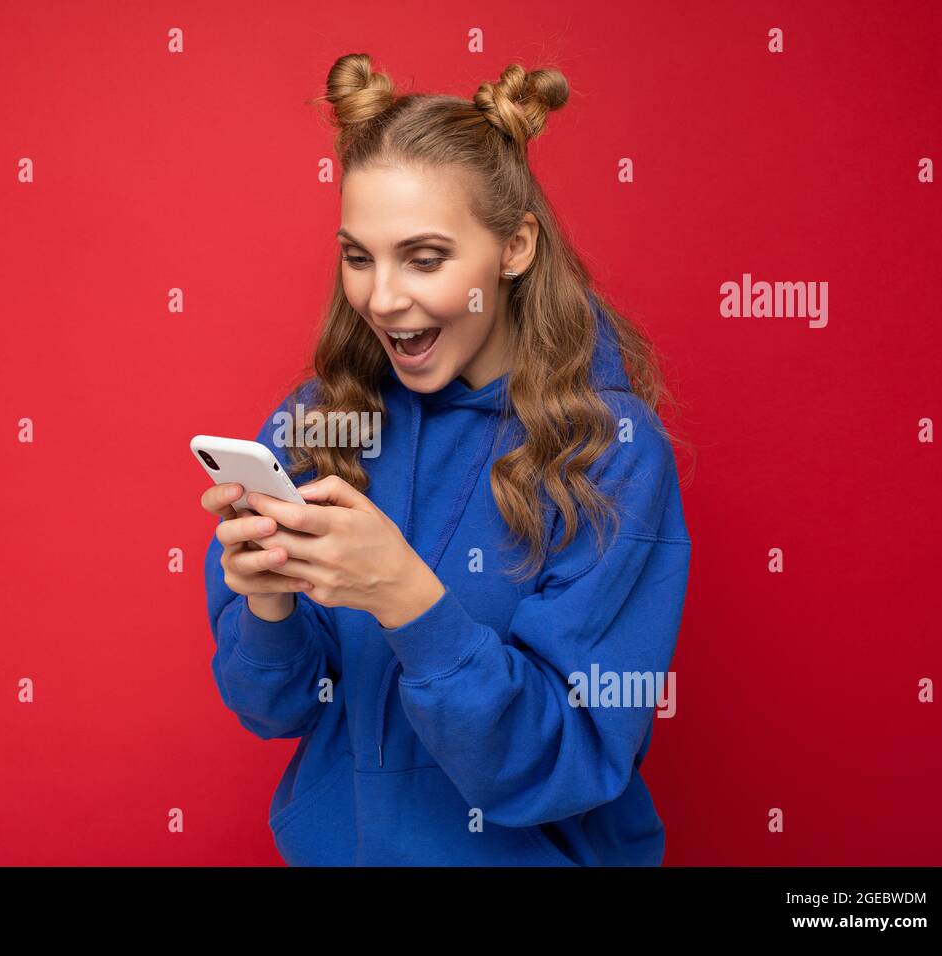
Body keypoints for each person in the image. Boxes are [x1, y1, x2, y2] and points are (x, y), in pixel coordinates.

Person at [199, 53, 692, 866]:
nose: (383, 298)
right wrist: (268, 606)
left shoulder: (613, 455)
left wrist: (405, 598)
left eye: (424, 258)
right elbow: (273, 710)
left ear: (515, 248)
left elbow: (567, 762)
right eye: (359, 257)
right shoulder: (318, 425)